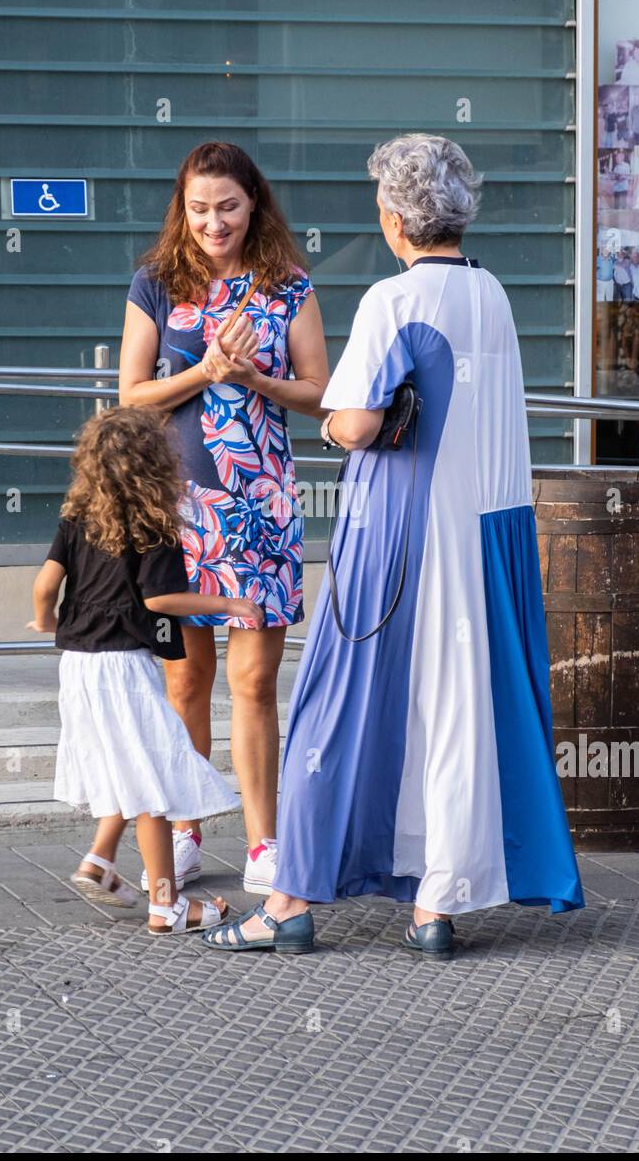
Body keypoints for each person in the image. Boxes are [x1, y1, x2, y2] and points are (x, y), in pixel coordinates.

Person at [202, 133, 584, 959]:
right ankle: (434, 907)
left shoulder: (390, 302)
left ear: (394, 217)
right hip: (486, 541)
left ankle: (289, 902)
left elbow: (356, 422)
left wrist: (330, 417)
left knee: (330, 712)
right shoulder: (495, 296)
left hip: (399, 541)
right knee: (454, 717)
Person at [115, 142, 329, 899]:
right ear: (183, 209)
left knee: (256, 681)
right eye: (200, 209)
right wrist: (204, 372)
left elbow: (319, 393)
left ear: (255, 205)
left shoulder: (287, 286)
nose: (214, 222)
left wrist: (254, 378)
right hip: (173, 512)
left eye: (229, 207)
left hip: (259, 506)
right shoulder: (155, 284)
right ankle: (187, 828)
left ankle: (266, 843)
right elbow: (130, 396)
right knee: (186, 683)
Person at [29, 406, 264, 934]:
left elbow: (45, 586)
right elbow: (160, 601)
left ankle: (100, 859)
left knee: (124, 765)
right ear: (155, 465)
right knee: (153, 781)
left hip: (77, 666)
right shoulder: (154, 528)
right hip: (123, 669)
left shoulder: (76, 522)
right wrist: (228, 605)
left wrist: (45, 620)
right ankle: (167, 905)